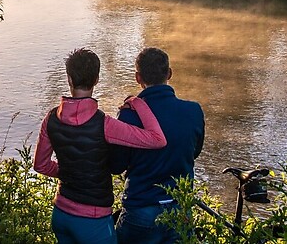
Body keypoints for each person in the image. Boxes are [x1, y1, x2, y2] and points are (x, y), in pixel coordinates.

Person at [33, 48, 169, 244]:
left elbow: (41, 165)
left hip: (61, 214)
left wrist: (69, 171)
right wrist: (138, 103)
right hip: (93, 221)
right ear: (96, 80)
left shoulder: (51, 118)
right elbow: (157, 139)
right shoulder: (105, 124)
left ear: (69, 79)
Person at [111, 47, 205, 244]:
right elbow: (193, 153)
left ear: (138, 78)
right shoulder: (194, 111)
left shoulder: (129, 114)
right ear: (169, 73)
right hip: (180, 210)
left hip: (141, 209)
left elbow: (117, 165)